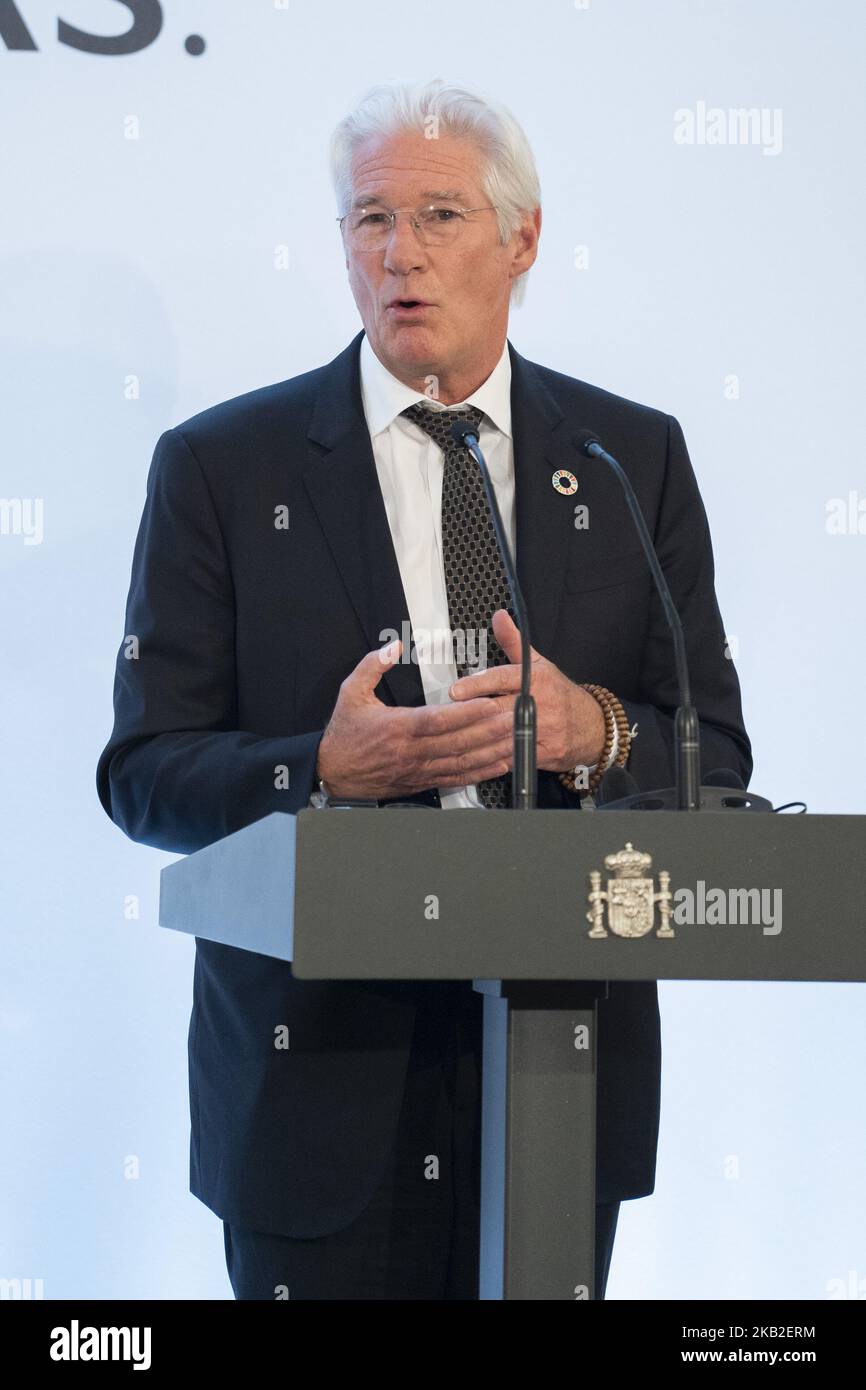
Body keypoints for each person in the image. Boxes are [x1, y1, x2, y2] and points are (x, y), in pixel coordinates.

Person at [96, 79, 751, 1300]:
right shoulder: (219, 469)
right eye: (368, 220)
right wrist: (318, 770)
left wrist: (592, 732)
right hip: (314, 1092)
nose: (399, 254)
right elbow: (142, 776)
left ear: (522, 240)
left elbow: (710, 749)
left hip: (559, 1074)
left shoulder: (627, 456)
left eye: (439, 215)